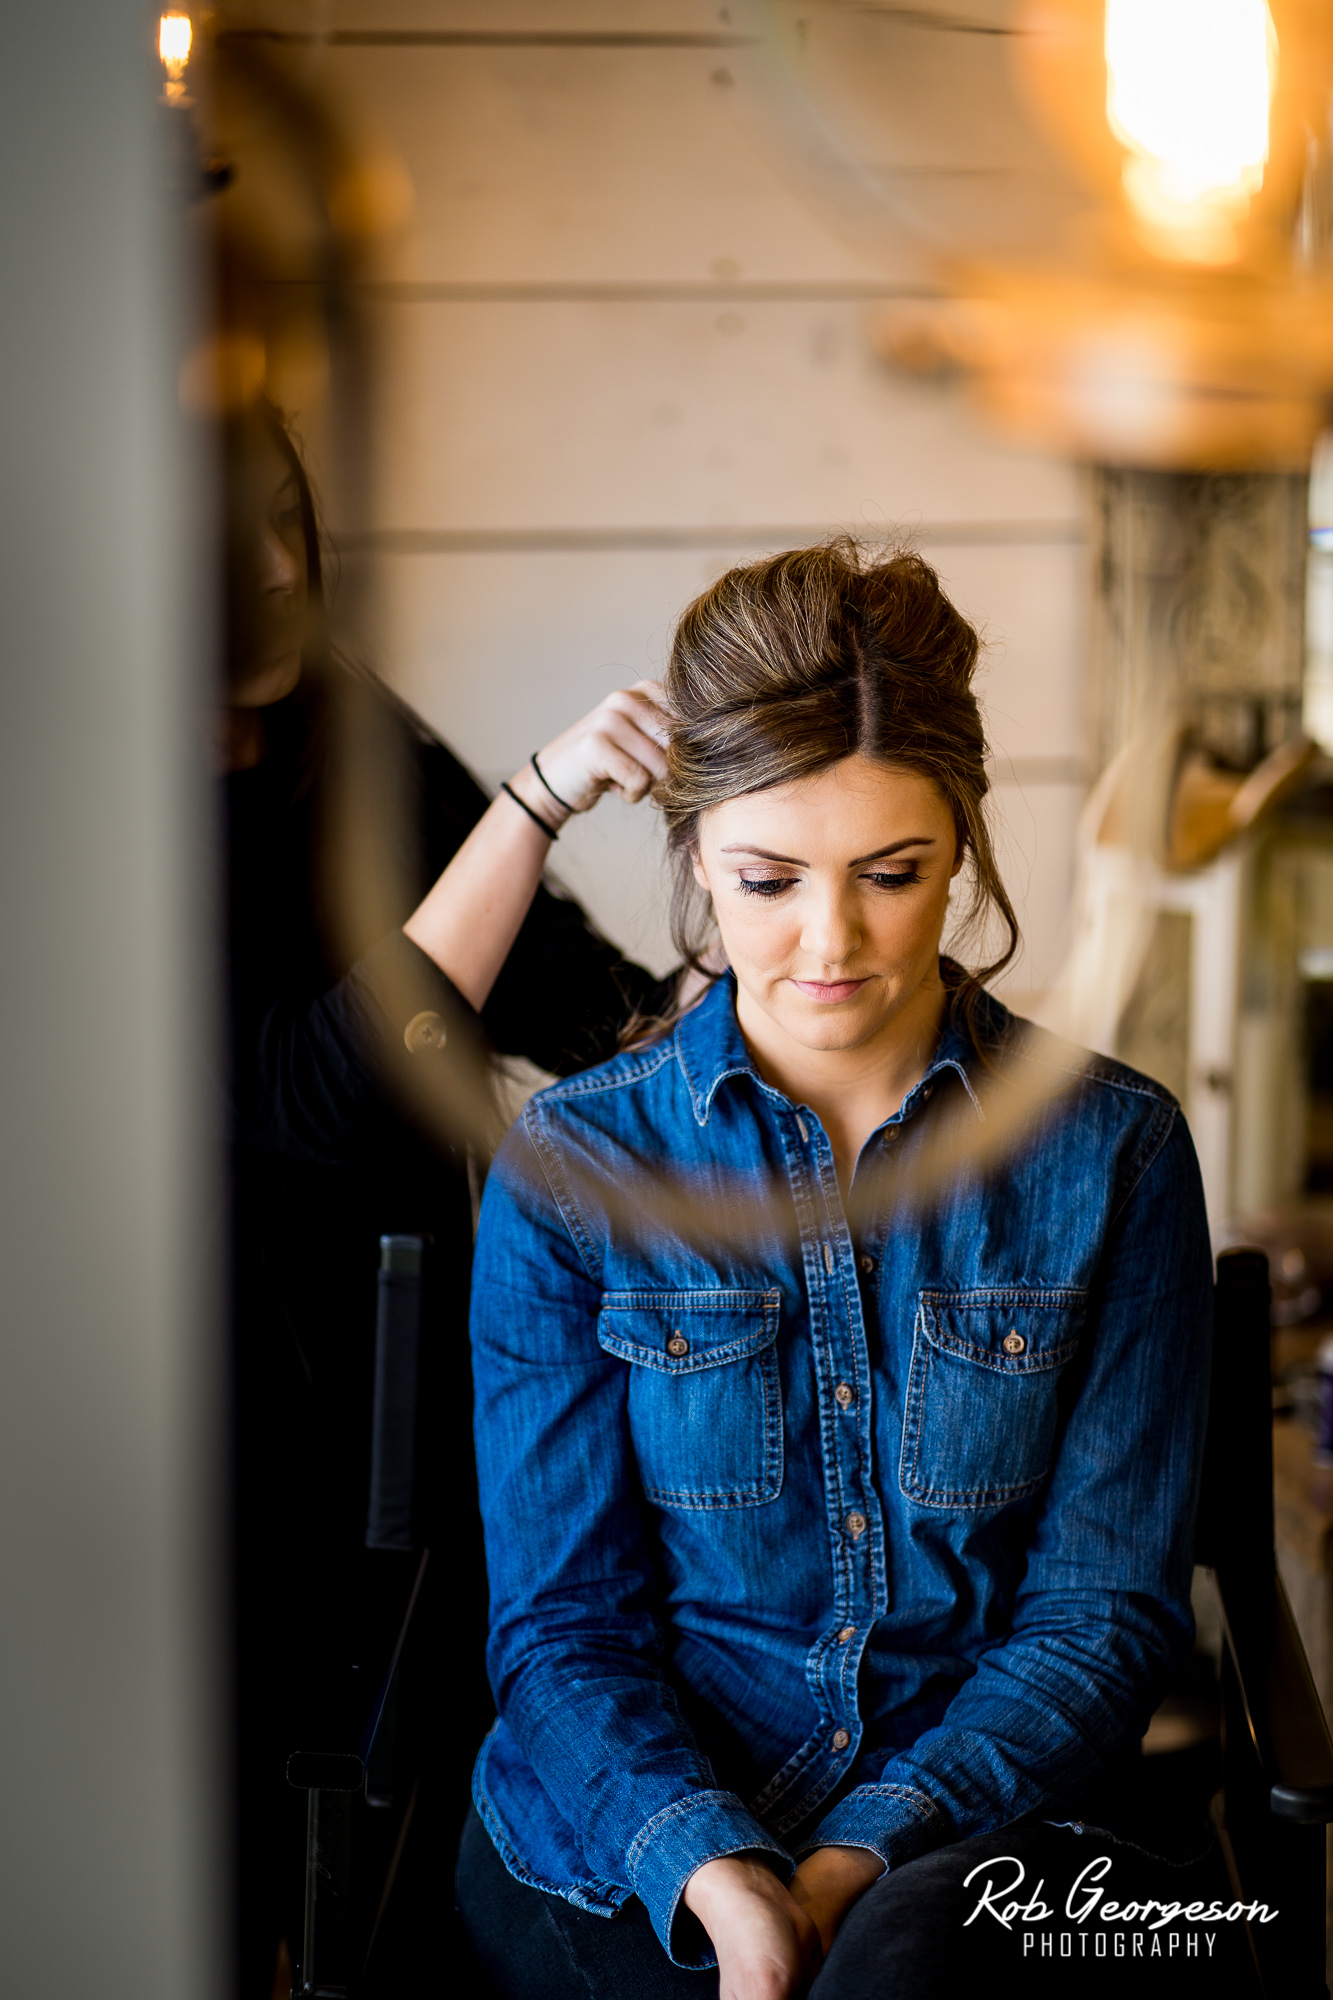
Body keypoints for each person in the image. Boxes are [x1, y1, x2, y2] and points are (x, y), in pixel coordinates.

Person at [458, 542, 1229, 1998]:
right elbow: (562, 1624)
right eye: (765, 879)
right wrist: (716, 1869)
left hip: (977, 1813)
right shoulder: (575, 1168)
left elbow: (1103, 1612)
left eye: (893, 874)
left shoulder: (1111, 1153)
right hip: (624, 1824)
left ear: (962, 849)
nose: (831, 943)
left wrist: (848, 1857)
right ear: (691, 850)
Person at [220, 395, 682, 1994]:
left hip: (423, 1427)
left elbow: (584, 1000)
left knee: (430, 1880)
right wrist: (532, 800)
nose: (281, 563)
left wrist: (767, 950)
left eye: (289, 510)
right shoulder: (75, 808)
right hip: (220, 1463)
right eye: (225, 536)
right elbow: (313, 1098)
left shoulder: (345, 726)